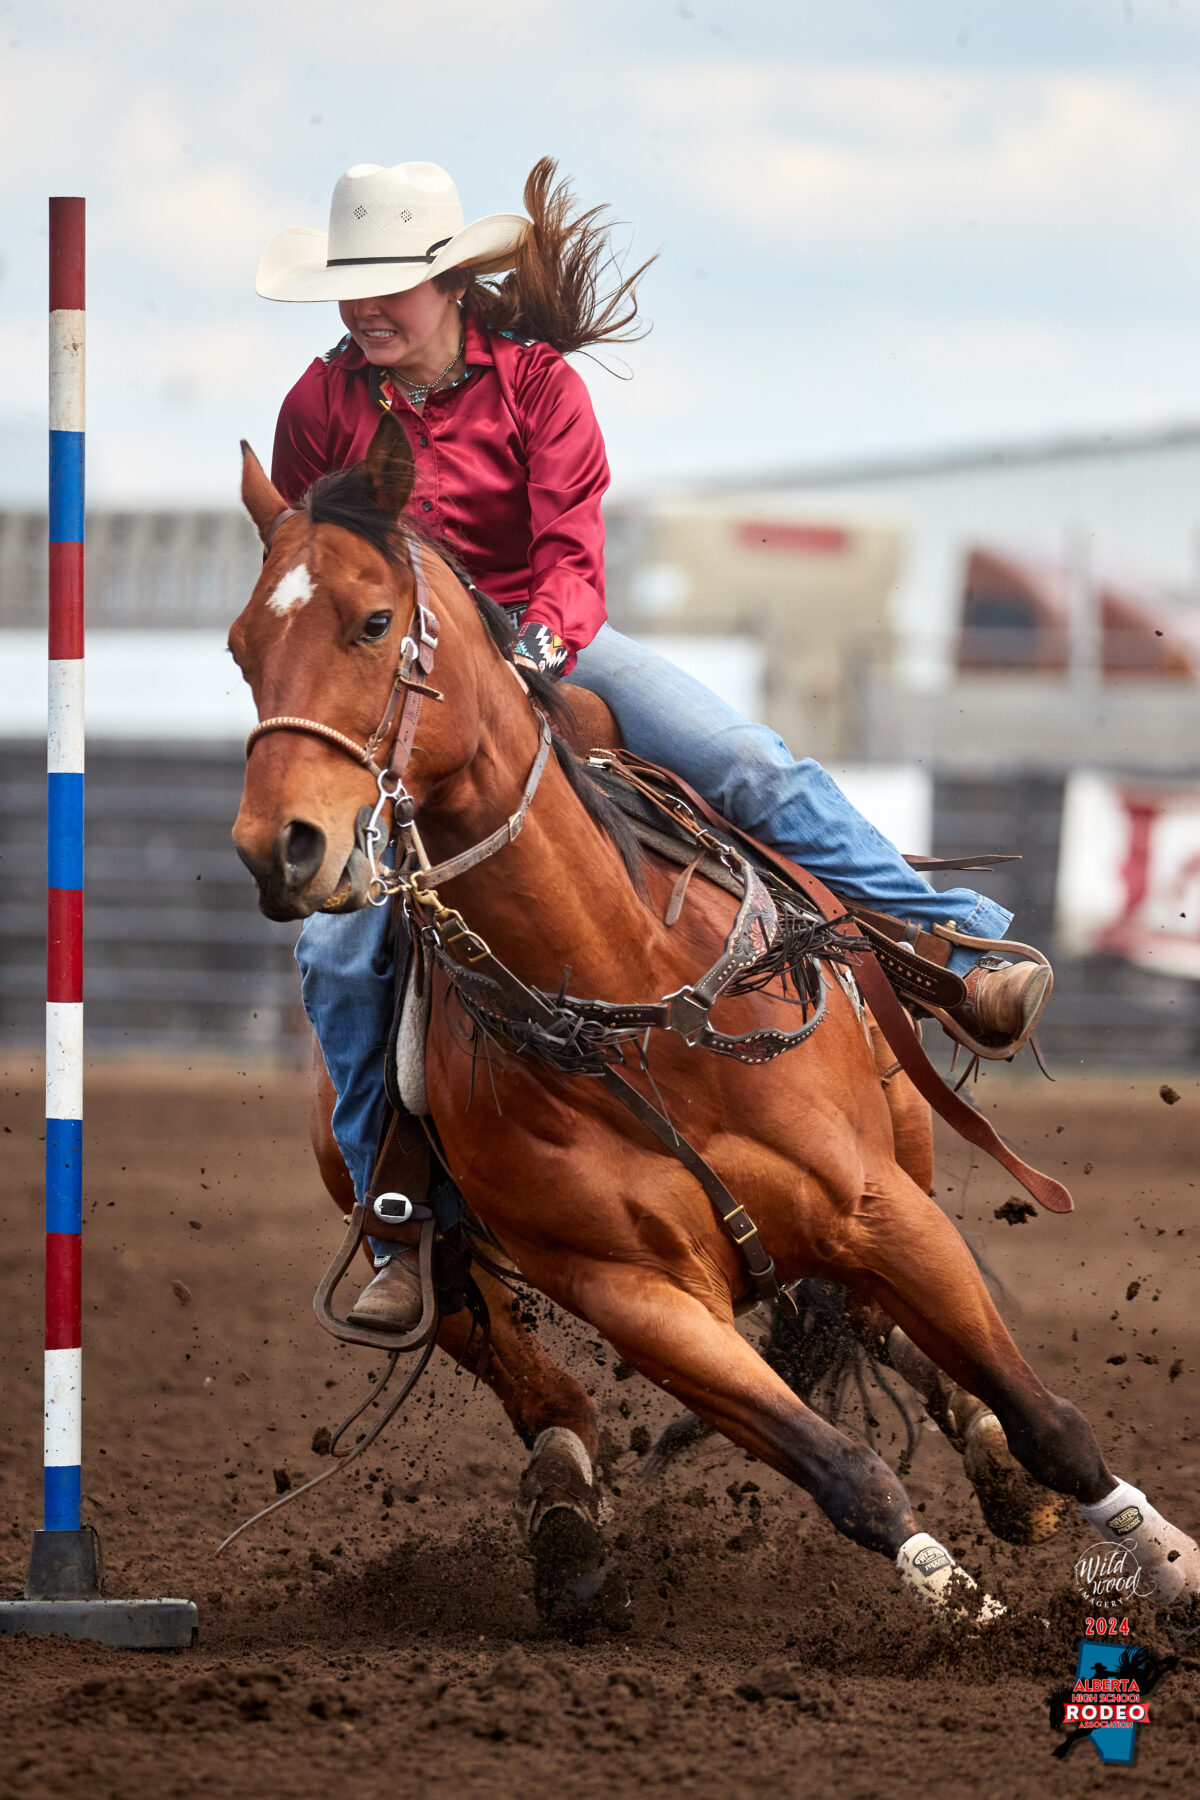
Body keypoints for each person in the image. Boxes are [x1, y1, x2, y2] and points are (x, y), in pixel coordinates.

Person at [256, 158, 1051, 1328]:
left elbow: (573, 549)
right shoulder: (315, 409)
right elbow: (313, 575)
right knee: (336, 954)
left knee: (746, 764)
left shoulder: (535, 387)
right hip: (405, 695)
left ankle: (956, 951)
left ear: (451, 285)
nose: (367, 308)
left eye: (393, 286)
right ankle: (396, 1220)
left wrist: (536, 648)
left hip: (542, 641)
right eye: (352, 287)